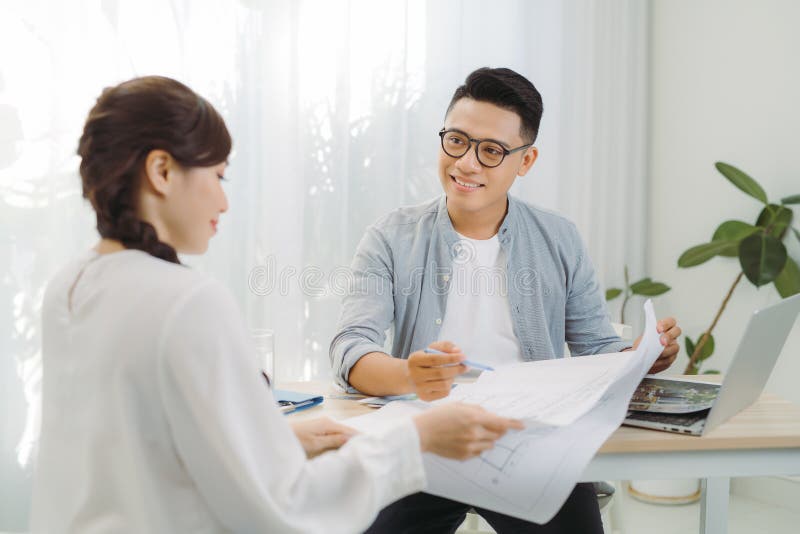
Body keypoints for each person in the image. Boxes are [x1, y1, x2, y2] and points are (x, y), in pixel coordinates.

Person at [30, 76, 524, 534]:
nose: (223, 203)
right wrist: (417, 438)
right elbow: (289, 508)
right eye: (218, 176)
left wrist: (275, 443)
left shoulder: (67, 288)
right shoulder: (188, 304)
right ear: (161, 171)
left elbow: (141, 454)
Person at [330, 67, 682, 533]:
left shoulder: (559, 238)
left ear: (526, 160)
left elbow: (597, 348)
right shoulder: (391, 237)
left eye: (491, 150)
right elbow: (351, 348)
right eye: (456, 140)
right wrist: (410, 375)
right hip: (427, 438)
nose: (466, 163)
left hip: (532, 441)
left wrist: (641, 356)